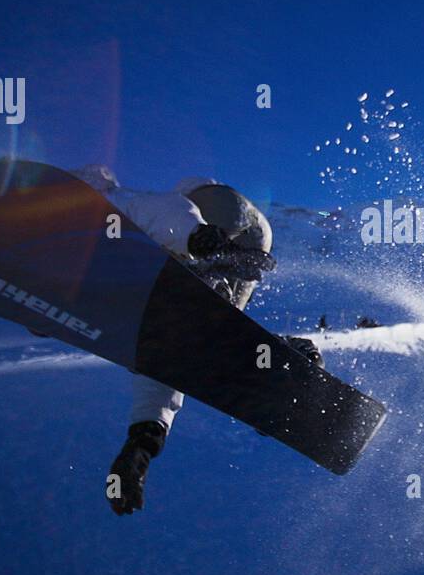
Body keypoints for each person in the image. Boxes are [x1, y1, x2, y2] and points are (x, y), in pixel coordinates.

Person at [76, 167, 320, 516]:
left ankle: (217, 271)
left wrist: (201, 239)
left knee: (187, 320)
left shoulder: (102, 207)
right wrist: (141, 443)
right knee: (206, 336)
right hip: (238, 231)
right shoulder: (138, 318)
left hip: (217, 212)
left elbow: (159, 210)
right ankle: (286, 363)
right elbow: (163, 363)